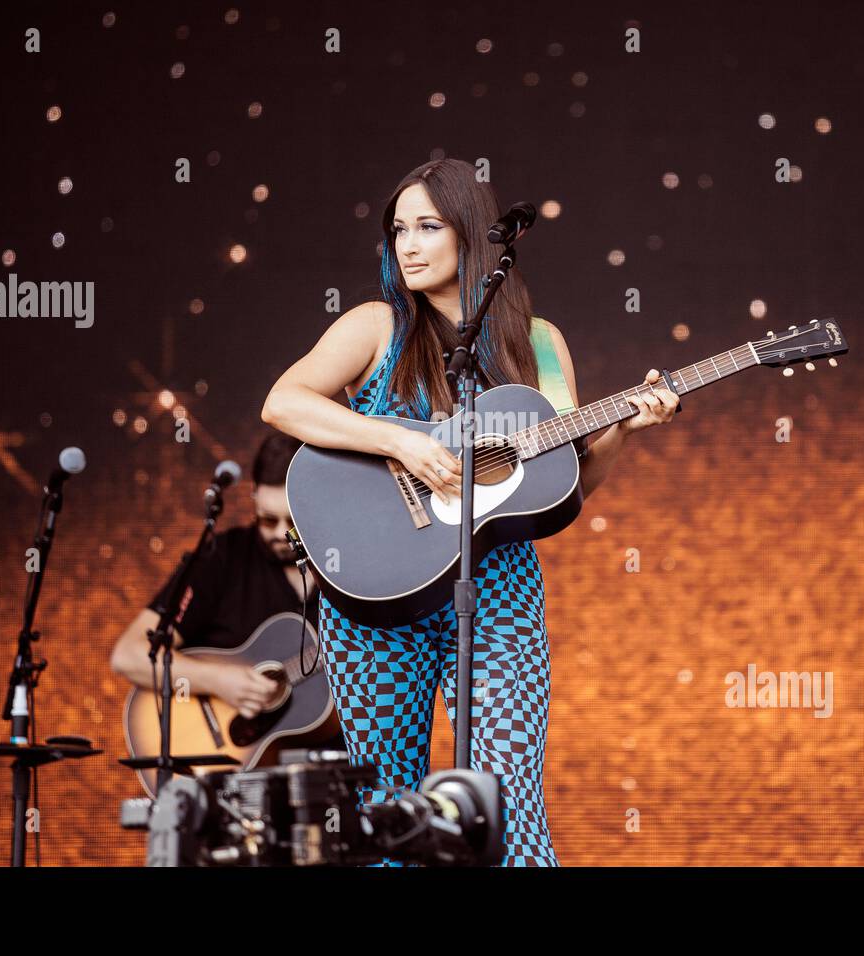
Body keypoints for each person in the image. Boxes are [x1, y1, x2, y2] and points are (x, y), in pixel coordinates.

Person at [260, 158, 678, 865]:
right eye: (399, 231)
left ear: (469, 236)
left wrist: (624, 431)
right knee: (384, 813)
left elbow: (563, 487)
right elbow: (284, 402)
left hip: (499, 593)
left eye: (428, 226)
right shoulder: (374, 327)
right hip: (374, 603)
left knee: (504, 804)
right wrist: (400, 441)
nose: (409, 245)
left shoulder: (537, 342)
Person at [110, 429, 346, 751]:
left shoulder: (349, 566)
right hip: (230, 775)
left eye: (292, 521)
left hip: (336, 760)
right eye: (267, 520)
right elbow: (129, 655)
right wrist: (220, 681)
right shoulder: (221, 558)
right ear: (253, 501)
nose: (279, 533)